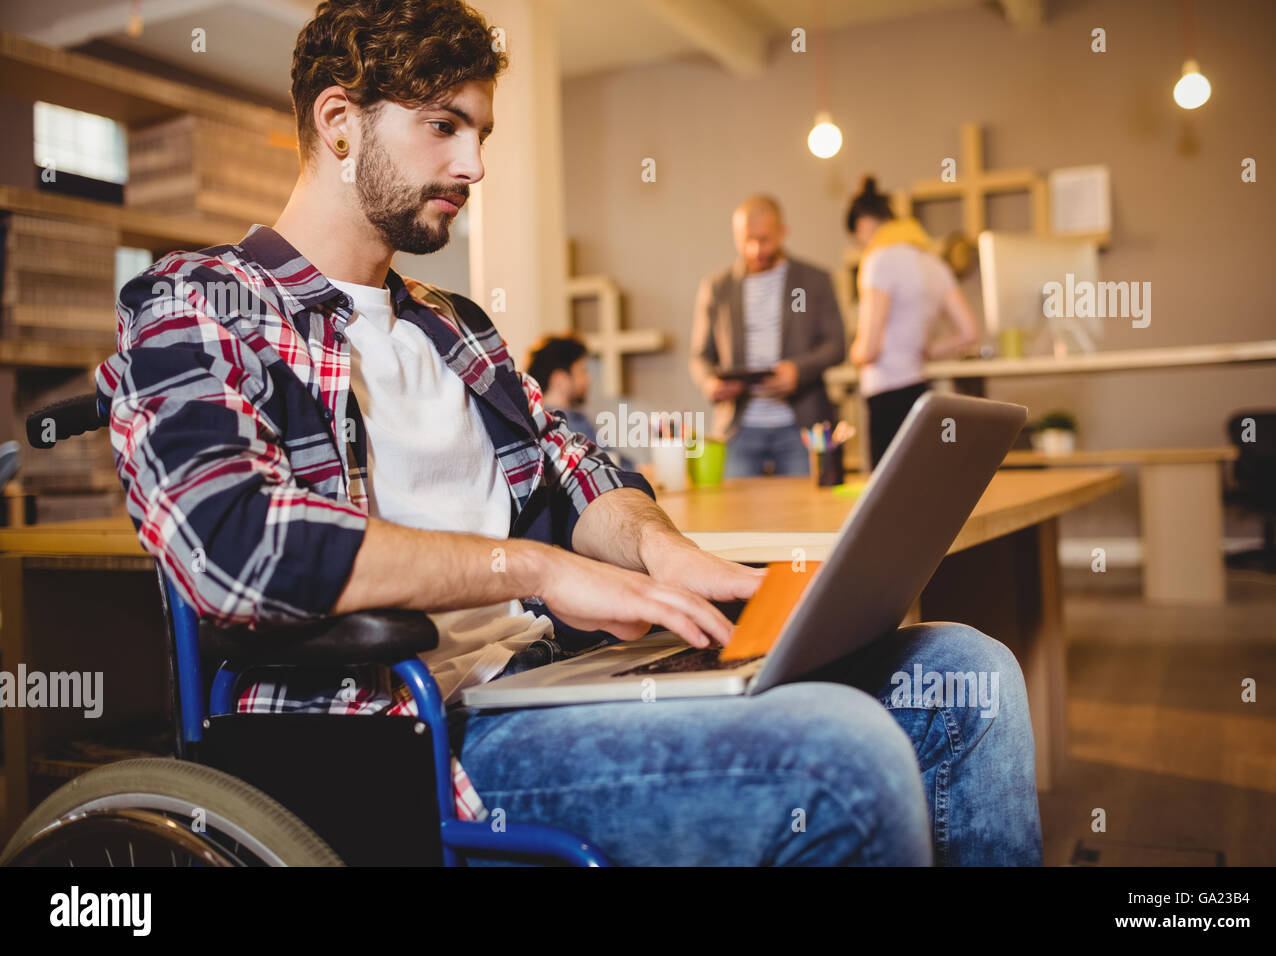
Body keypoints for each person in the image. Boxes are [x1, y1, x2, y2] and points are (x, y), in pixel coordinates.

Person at [94, 0, 1040, 865]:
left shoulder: (455, 324)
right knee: (845, 758)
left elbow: (582, 471)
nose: (473, 165)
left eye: (481, 132)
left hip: (556, 676)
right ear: (339, 122)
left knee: (965, 673)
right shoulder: (200, 303)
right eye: (442, 127)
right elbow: (236, 548)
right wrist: (536, 570)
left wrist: (662, 553)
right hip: (420, 730)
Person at [691, 196, 846, 477]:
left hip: (800, 427)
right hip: (739, 428)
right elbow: (700, 356)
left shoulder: (815, 280)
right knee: (735, 518)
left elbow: (837, 344)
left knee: (805, 516)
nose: (755, 250)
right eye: (747, 241)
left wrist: (798, 371)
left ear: (782, 232)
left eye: (764, 240)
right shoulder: (717, 287)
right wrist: (710, 383)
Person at [846, 177, 980, 467]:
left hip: (885, 391)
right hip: (920, 388)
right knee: (918, 478)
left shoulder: (878, 261)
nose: (861, 243)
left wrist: (854, 352)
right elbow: (970, 331)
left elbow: (869, 349)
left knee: (886, 491)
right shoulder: (935, 265)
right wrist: (930, 350)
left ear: (864, 224)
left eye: (858, 237)